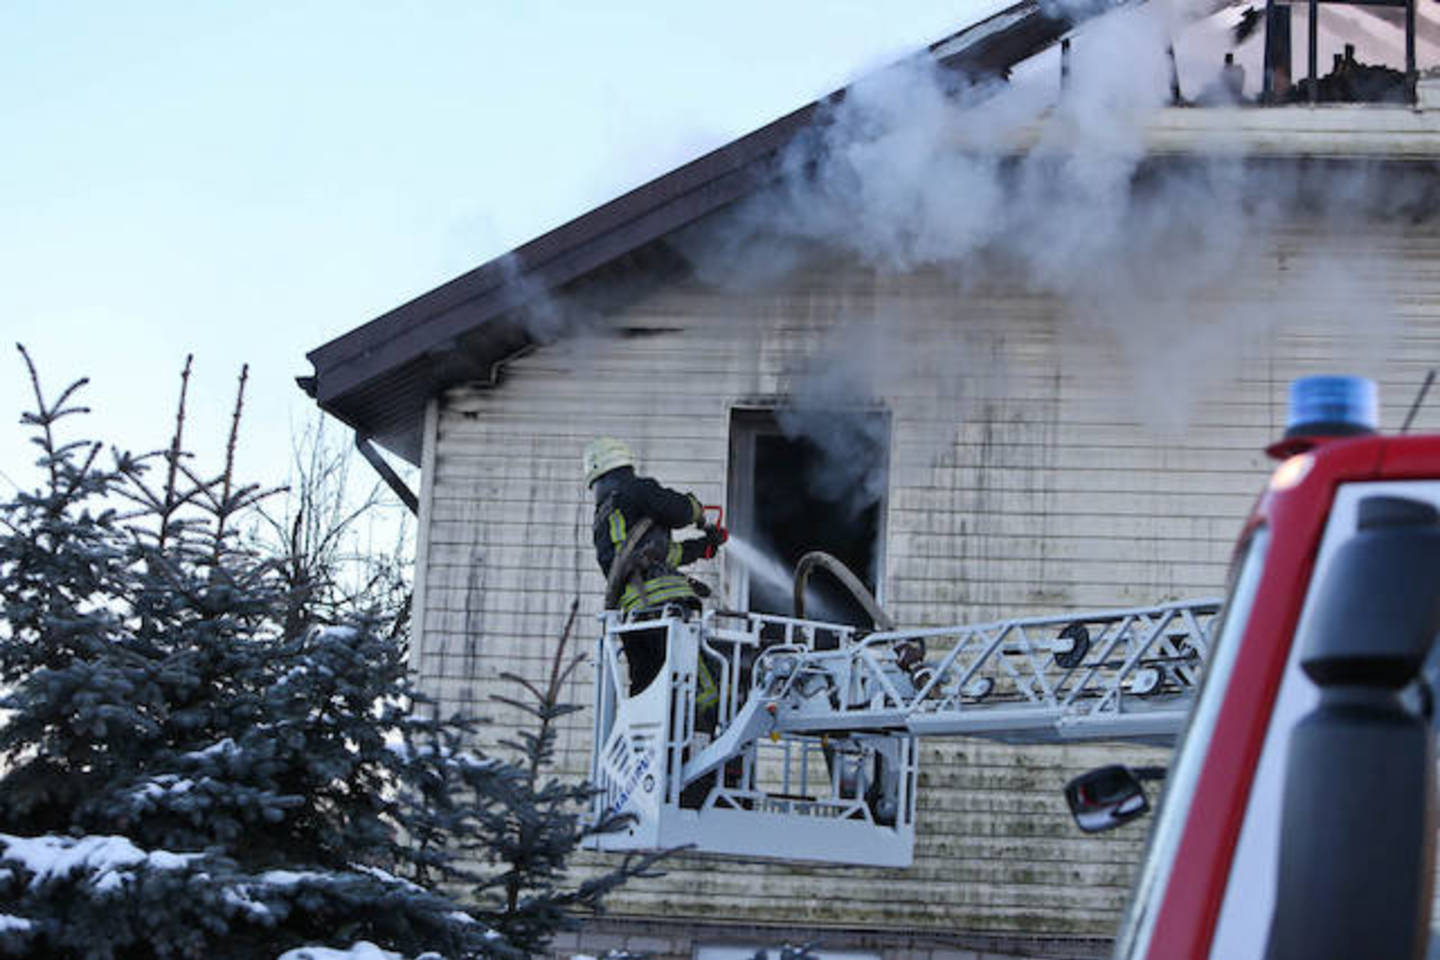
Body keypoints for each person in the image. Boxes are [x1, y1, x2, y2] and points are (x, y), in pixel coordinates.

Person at [584, 437, 727, 699]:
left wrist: (703, 546)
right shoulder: (636, 490)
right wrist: (695, 509)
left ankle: (645, 740)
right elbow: (678, 511)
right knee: (701, 687)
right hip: (663, 609)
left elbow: (657, 556)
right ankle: (708, 733)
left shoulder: (604, 520)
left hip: (634, 618)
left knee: (647, 692)